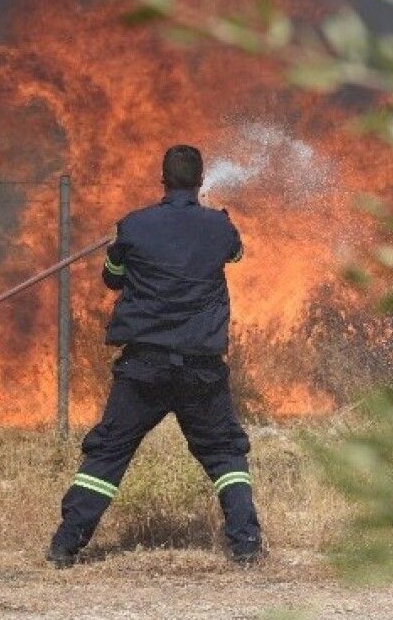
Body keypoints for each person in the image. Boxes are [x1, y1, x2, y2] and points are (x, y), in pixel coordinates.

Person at [47, 144, 262, 568]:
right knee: (224, 452)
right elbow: (235, 254)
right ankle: (246, 544)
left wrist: (119, 246)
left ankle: (65, 545)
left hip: (143, 366)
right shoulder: (219, 227)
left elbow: (112, 279)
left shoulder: (133, 226)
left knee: (108, 452)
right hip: (200, 368)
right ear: (201, 181)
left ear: (162, 181)